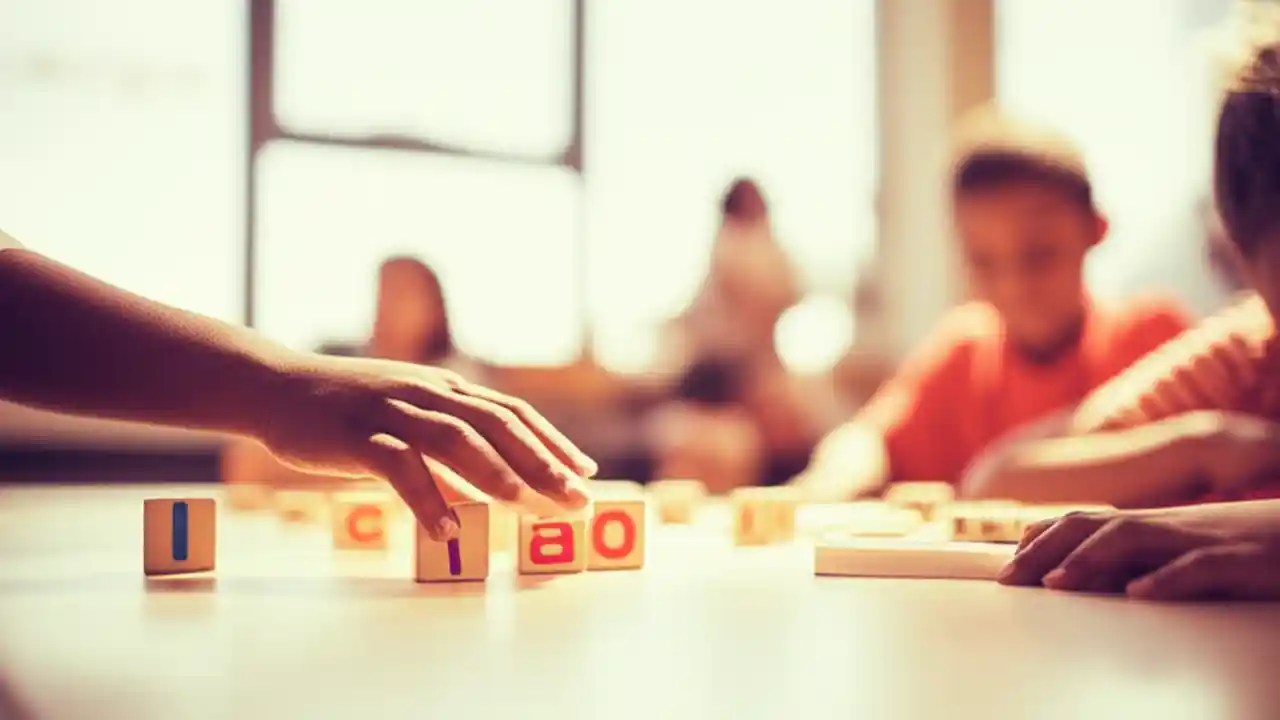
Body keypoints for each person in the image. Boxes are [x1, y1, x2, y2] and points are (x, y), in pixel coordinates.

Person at [0, 232, 596, 539]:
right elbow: (245, 467)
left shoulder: (456, 378)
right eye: (381, 292)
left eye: (403, 293)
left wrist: (272, 392)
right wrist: (272, 389)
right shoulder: (345, 366)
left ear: (435, 305)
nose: (387, 306)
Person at [999, 37, 1280, 601]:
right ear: (1241, 258)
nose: (1014, 285)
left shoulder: (1151, 322)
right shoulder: (1248, 355)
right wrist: (1206, 445)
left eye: (1039, 254)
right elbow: (1004, 476)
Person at [793, 110, 1191, 501]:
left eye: (1040, 255)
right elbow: (869, 438)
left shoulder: (1152, 336)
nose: (1013, 286)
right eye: (983, 261)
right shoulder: (964, 349)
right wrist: (825, 488)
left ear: (1096, 230)